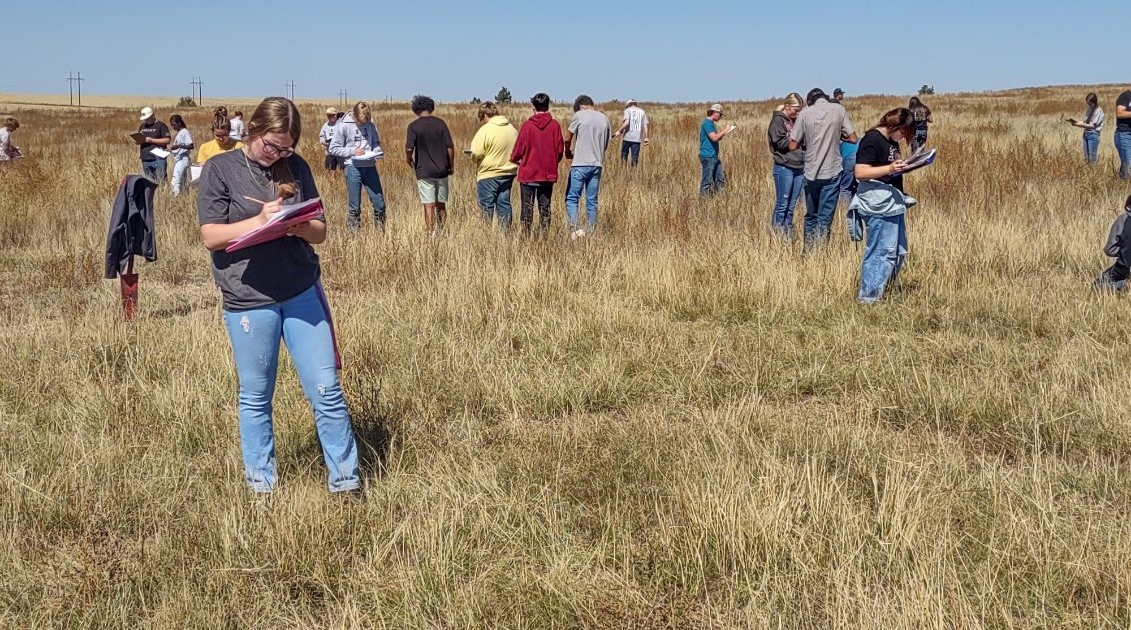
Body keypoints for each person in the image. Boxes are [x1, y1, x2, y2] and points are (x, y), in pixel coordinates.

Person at [196, 96, 360, 496]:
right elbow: (210, 236)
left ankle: (346, 481)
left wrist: (299, 226)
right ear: (253, 131)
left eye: (286, 148)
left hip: (301, 289)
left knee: (327, 389)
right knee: (256, 396)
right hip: (249, 298)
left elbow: (321, 230)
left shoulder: (297, 166)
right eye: (272, 146)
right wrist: (259, 221)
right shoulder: (220, 169)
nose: (278, 155)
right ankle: (261, 486)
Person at [849, 108, 917, 304]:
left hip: (892, 202)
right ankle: (868, 298)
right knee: (880, 251)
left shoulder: (890, 141)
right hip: (877, 204)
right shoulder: (871, 139)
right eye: (904, 133)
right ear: (895, 126)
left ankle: (884, 290)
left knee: (898, 251)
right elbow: (860, 172)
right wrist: (890, 168)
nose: (903, 138)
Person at [789, 88, 856, 248]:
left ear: (810, 101)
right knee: (825, 218)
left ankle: (808, 250)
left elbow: (792, 145)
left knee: (811, 215)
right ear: (826, 97)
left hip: (811, 171)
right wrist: (837, 135)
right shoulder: (839, 110)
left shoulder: (805, 114)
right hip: (832, 170)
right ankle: (820, 252)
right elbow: (853, 138)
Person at [511, 92, 564, 234]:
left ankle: (525, 237)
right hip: (547, 175)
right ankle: (545, 237)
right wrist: (553, 162)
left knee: (526, 208)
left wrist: (514, 159)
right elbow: (559, 151)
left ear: (534, 106)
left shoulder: (527, 126)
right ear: (548, 106)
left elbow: (518, 149)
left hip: (528, 174)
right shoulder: (555, 126)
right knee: (545, 208)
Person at [330, 101, 387, 232]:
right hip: (353, 167)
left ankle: (380, 235)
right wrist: (351, 151)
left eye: (366, 122)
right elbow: (333, 148)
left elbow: (376, 142)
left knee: (380, 204)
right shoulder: (343, 125)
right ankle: (353, 238)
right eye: (361, 122)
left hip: (370, 165)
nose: (363, 124)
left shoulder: (370, 123)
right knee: (354, 207)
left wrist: (377, 151)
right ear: (354, 116)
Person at [405, 95, 454, 235]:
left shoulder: (413, 126)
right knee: (441, 203)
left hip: (424, 170)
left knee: (428, 204)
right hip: (442, 169)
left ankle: (430, 233)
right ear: (431, 107)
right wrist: (451, 165)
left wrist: (408, 159)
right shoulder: (441, 123)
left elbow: (409, 148)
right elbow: (450, 146)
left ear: (415, 109)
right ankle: (443, 232)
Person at [563, 95, 611, 237]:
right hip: (597, 164)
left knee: (572, 198)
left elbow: (567, 138)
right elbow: (606, 143)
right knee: (592, 200)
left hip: (579, 163)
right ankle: (591, 231)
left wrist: (568, 151)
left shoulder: (579, 116)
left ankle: (574, 230)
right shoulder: (604, 118)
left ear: (580, 107)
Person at [470, 102, 519, 229]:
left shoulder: (485, 130)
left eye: (481, 118)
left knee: (486, 206)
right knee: (504, 204)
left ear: (485, 115)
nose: (482, 121)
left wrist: (471, 156)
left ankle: (486, 237)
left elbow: (476, 153)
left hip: (488, 173)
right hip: (509, 172)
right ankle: (506, 235)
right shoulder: (512, 129)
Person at [767, 94, 805, 239]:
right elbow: (780, 143)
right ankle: (777, 234)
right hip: (784, 167)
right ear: (787, 106)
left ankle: (788, 235)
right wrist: (795, 139)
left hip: (799, 166)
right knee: (782, 204)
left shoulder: (797, 121)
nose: (798, 113)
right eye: (796, 110)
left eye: (800, 110)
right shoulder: (777, 121)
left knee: (791, 206)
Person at [1094, 195, 1131, 291]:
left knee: (1097, 285)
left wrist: (1123, 251)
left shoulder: (1123, 219)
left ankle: (1124, 285)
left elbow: (1109, 249)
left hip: (1124, 267)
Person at [699, 103, 735, 197]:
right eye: (720, 114)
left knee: (720, 179)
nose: (720, 117)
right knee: (706, 181)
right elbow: (714, 138)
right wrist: (724, 130)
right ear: (715, 113)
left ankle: (720, 200)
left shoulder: (711, 124)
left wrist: (725, 133)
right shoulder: (707, 124)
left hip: (714, 156)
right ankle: (703, 203)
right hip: (708, 156)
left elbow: (716, 138)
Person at [137, 107, 171, 184]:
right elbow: (139, 138)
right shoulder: (142, 126)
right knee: (149, 183)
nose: (145, 120)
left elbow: (167, 140)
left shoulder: (161, 126)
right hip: (145, 158)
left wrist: (151, 140)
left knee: (161, 181)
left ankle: (162, 194)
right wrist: (138, 141)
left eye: (147, 118)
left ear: (152, 116)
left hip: (158, 158)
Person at [612, 98, 649, 166]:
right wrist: (646, 137)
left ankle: (623, 172)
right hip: (637, 138)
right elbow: (645, 125)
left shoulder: (627, 110)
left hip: (627, 138)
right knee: (634, 158)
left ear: (628, 105)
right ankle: (633, 173)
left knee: (624, 156)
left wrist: (618, 131)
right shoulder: (642, 111)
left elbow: (626, 122)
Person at [1070, 93, 1104, 165]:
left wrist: (1080, 125)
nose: (1089, 105)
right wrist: (1076, 122)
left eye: (1090, 103)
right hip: (1086, 134)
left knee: (1092, 158)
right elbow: (1085, 121)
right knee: (1086, 157)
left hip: (1093, 134)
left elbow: (1093, 126)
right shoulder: (1089, 109)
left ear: (1094, 102)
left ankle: (1093, 173)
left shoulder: (1099, 111)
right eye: (1088, 103)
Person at [168, 114, 194, 196]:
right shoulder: (180, 132)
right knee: (182, 181)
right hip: (179, 158)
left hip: (183, 158)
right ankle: (182, 196)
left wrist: (178, 146)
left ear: (179, 123)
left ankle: (175, 197)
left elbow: (191, 146)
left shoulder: (185, 132)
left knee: (176, 180)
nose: (172, 126)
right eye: (171, 125)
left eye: (174, 124)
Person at [319, 107, 344, 175]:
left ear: (336, 115)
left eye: (332, 115)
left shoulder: (342, 124)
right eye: (328, 115)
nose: (330, 117)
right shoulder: (325, 125)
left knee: (344, 171)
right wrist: (324, 142)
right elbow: (322, 136)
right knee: (330, 172)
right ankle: (332, 185)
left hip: (341, 153)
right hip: (330, 152)